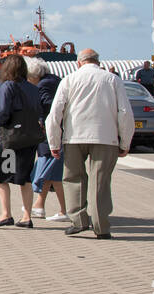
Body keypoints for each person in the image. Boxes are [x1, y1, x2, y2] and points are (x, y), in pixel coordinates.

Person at [46, 48, 135, 240]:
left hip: (74, 137)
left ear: (79, 63)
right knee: (100, 181)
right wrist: (125, 142)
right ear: (98, 62)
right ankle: (101, 226)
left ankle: (78, 221)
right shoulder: (112, 80)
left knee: (73, 178)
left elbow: (55, 114)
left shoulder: (68, 80)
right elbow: (125, 113)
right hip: (105, 137)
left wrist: (54, 142)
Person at [0, 54, 41, 228]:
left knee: (2, 177)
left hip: (11, 141)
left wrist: (0, 133)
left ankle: (6, 214)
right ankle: (27, 216)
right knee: (25, 177)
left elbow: (2, 112)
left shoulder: (7, 86)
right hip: (30, 138)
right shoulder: (33, 88)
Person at [27, 58, 69, 222]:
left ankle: (63, 210)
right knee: (51, 171)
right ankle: (39, 206)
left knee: (51, 169)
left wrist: (38, 115)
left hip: (51, 133)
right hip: (58, 131)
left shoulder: (43, 85)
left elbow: (50, 104)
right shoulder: (55, 79)